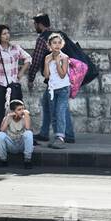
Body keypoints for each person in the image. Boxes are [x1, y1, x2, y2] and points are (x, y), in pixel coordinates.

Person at [25, 14, 75, 144]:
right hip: (55, 82)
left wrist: (30, 78)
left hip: (59, 82)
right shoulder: (58, 35)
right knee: (47, 103)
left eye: (35, 24)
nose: (35, 27)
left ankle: (64, 135)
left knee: (58, 109)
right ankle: (46, 132)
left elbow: (35, 60)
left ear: (39, 24)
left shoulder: (43, 39)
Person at [0, 24, 29, 132]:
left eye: (8, 33)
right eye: (4, 34)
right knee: (0, 112)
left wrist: (20, 73)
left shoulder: (16, 48)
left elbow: (28, 58)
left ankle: (18, 134)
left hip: (13, 85)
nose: (7, 35)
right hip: (0, 86)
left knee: (17, 111)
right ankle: (1, 134)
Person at [43, 32, 72, 149]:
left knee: (60, 112)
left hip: (63, 89)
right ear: (50, 45)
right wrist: (47, 62)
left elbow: (62, 74)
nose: (57, 45)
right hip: (52, 89)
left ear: (62, 44)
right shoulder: (47, 57)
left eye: (59, 43)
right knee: (54, 114)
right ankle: (56, 137)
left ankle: (61, 138)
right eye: (54, 43)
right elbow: (46, 76)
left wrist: (57, 62)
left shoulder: (64, 57)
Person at [0, 99, 34, 169]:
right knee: (0, 135)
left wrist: (27, 116)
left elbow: (27, 128)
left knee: (29, 133)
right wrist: (8, 117)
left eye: (23, 109)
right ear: (13, 111)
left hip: (21, 144)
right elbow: (2, 130)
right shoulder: (8, 118)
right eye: (19, 109)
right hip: (11, 144)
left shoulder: (25, 117)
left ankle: (28, 160)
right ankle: (3, 160)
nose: (22, 111)